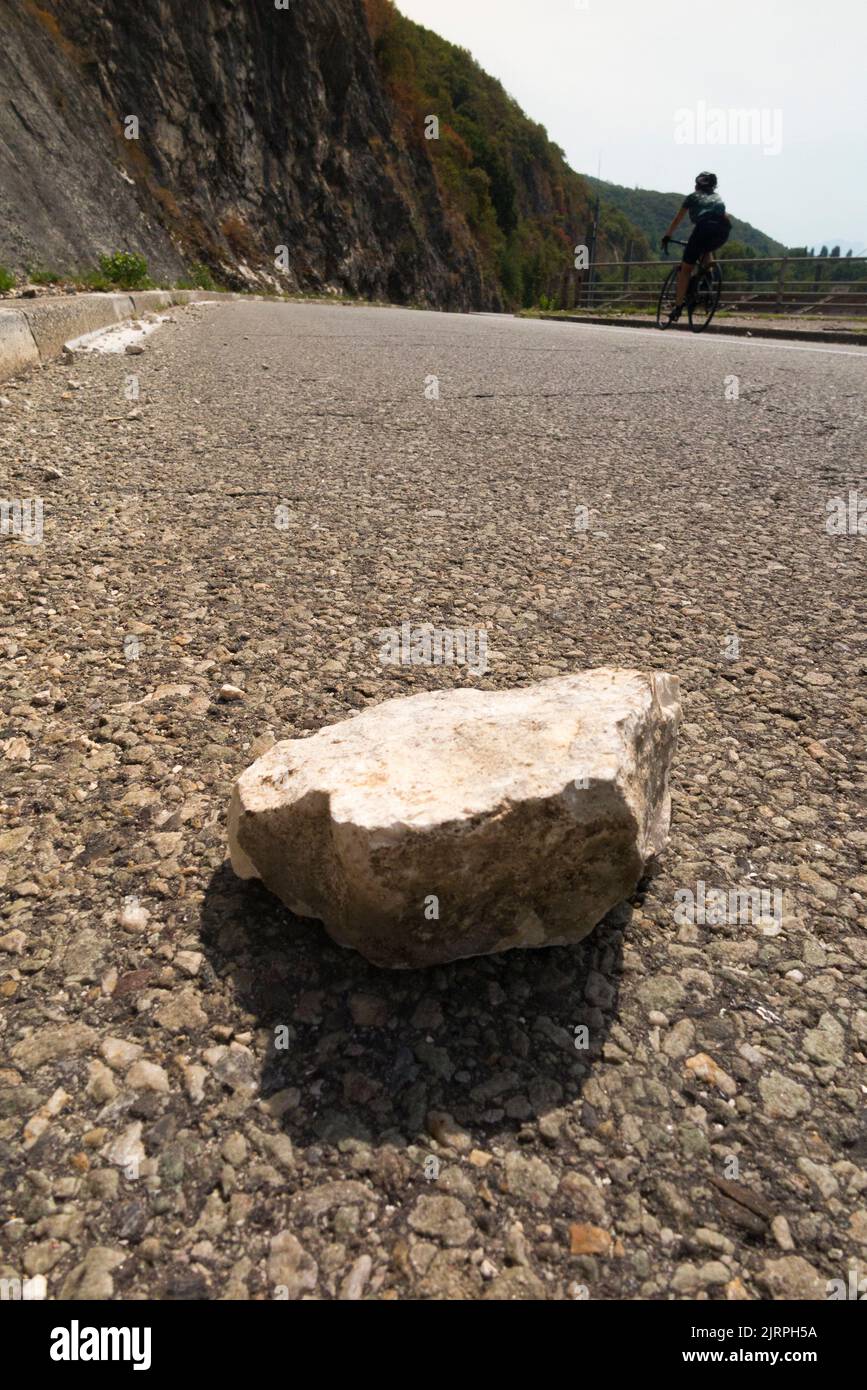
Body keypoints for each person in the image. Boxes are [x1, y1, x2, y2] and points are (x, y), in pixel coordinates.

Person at [661, 172, 731, 322]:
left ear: (697, 185)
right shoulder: (717, 197)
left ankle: (678, 308)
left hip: (703, 229)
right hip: (724, 230)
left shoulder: (693, 197)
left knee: (685, 269)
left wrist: (667, 236)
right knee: (707, 249)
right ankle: (708, 280)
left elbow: (677, 219)